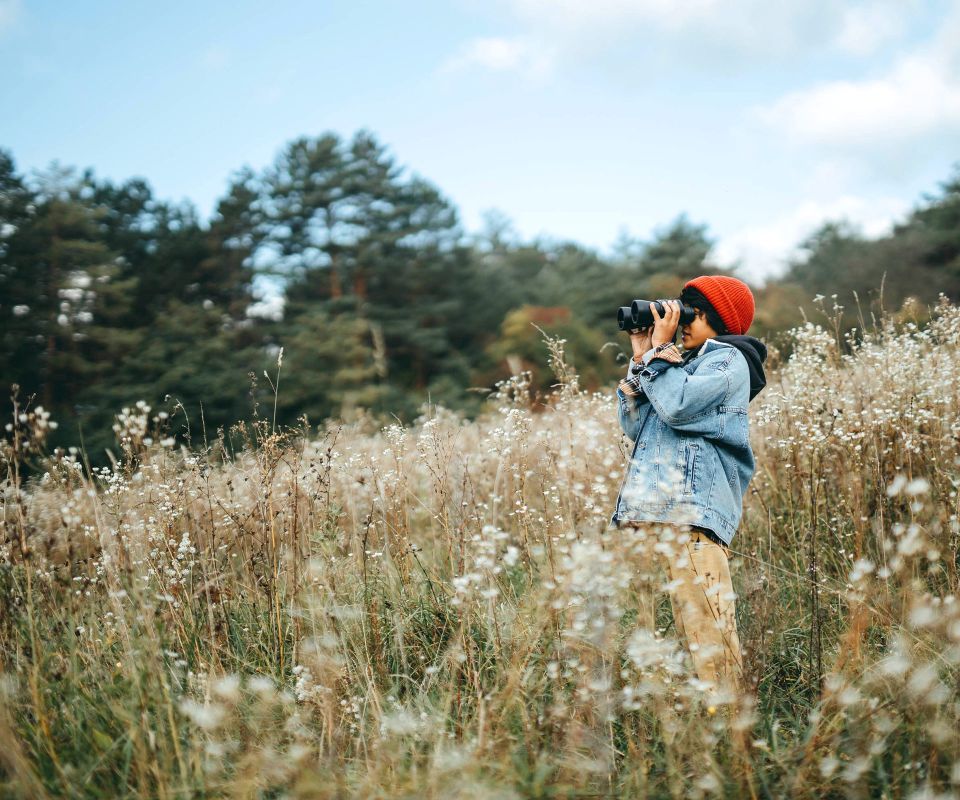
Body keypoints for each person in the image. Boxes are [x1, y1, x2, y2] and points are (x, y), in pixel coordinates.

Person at [610, 275, 767, 691]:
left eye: (691, 312)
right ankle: (717, 716)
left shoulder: (728, 360)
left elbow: (677, 408)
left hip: (693, 512)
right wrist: (643, 354)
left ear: (719, 317)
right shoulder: (680, 363)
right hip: (673, 515)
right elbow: (638, 423)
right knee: (693, 625)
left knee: (710, 629)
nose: (681, 321)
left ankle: (729, 718)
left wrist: (661, 353)